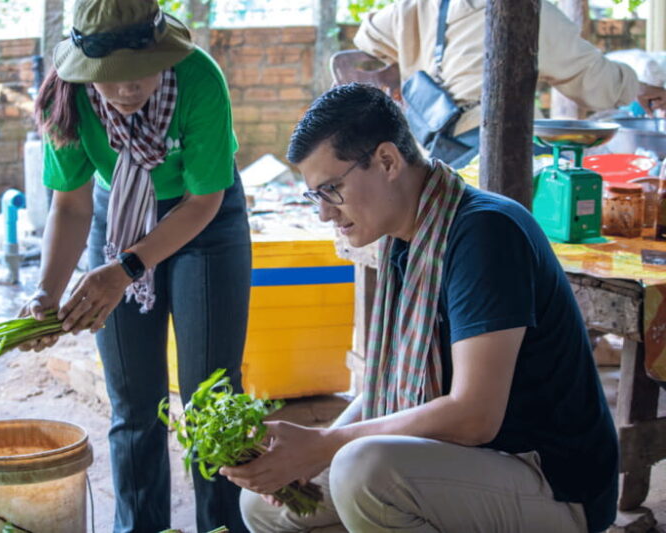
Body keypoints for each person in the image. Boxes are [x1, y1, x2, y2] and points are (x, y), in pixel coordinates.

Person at [221, 83, 618, 533]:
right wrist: (310, 449)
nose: (325, 215)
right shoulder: (406, 239)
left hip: (550, 482)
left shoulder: (485, 234)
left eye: (331, 189)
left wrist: (327, 443)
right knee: (267, 508)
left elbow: (474, 416)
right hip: (467, 468)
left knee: (364, 471)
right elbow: (384, 390)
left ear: (387, 160)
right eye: (316, 195)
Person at [21, 0, 251, 531]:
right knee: (132, 398)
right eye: (111, 77)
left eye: (139, 72)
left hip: (204, 220)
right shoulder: (68, 98)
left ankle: (221, 526)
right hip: (116, 215)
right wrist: (45, 295)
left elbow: (203, 201)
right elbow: (72, 205)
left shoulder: (198, 80)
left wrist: (124, 269)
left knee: (210, 396)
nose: (127, 88)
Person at [352, 0, 666, 167]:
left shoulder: (415, 7)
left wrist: (408, 63)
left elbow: (366, 36)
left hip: (427, 156)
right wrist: (641, 87)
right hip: (503, 157)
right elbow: (599, 85)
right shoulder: (527, 12)